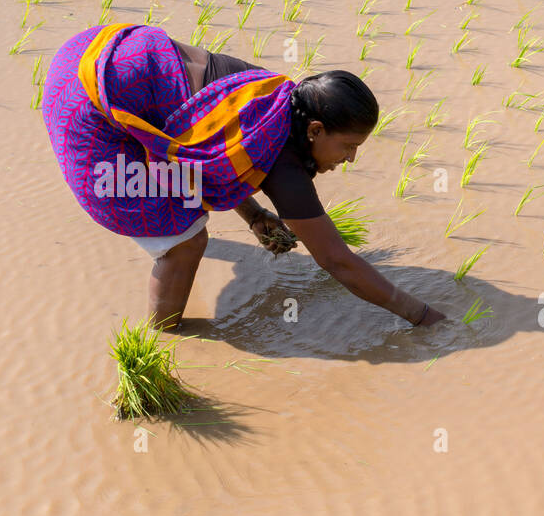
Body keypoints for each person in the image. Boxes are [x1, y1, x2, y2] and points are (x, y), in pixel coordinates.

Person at [42, 22, 446, 330]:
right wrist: (424, 317)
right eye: (348, 146)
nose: (352, 158)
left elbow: (213, 151)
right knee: (187, 241)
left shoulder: (268, 95)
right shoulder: (285, 169)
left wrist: (253, 216)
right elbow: (338, 262)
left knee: (179, 187)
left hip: (86, 54)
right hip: (87, 112)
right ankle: (161, 341)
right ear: (316, 130)